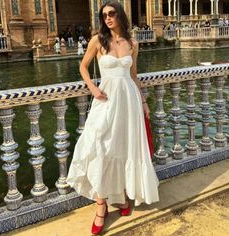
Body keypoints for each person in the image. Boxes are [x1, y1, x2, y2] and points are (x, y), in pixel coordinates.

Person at [66, 1, 159, 235]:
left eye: (111, 13)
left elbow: (134, 75)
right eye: (104, 15)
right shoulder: (98, 41)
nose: (107, 18)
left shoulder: (132, 43)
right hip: (106, 100)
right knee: (100, 147)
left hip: (129, 101)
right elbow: (83, 67)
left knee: (124, 148)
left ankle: (121, 196)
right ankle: (101, 205)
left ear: (120, 15)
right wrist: (93, 89)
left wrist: (145, 102)